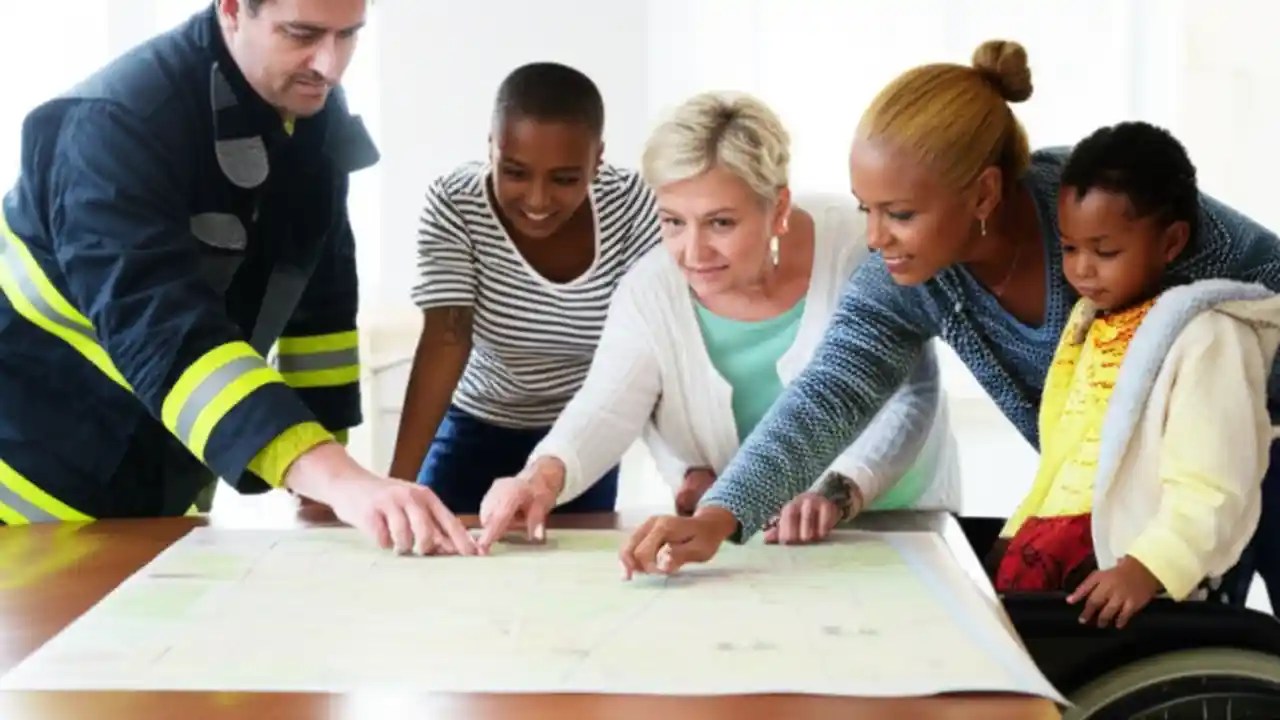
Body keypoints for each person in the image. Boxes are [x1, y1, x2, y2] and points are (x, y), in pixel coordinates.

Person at [619, 39, 1280, 604]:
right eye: (865, 209)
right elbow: (825, 397)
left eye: (899, 214)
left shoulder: (1101, 210)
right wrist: (719, 515)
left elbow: (1263, 278)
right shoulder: (905, 274)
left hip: (1235, 448)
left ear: (985, 193)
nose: (875, 237)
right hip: (1140, 501)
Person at [0, 0, 477, 557]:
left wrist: (324, 490)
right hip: (23, 495)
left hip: (154, 497)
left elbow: (319, 298)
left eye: (349, 36)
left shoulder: (307, 108)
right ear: (231, 8)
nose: (330, 65)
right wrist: (338, 479)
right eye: (302, 33)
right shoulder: (113, 125)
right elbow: (163, 332)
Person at [475, 91, 960, 549]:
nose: (692, 252)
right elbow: (605, 405)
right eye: (673, 222)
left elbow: (911, 397)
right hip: (758, 536)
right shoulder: (650, 289)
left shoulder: (862, 248)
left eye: (721, 223)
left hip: (897, 522)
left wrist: (840, 490)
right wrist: (539, 478)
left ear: (778, 209)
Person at [990, 121, 1279, 629]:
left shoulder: (1209, 338)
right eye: (1070, 248)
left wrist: (1147, 567)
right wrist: (1020, 530)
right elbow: (1065, 459)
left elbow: (1213, 485)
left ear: (1172, 242)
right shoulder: (1089, 326)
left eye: (1105, 252)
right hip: (1057, 541)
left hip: (1125, 565)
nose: (1081, 270)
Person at [390, 62, 661, 514]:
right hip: (474, 426)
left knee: (566, 573)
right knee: (433, 559)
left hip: (579, 439)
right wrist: (396, 486)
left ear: (598, 160)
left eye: (564, 179)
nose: (537, 200)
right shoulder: (456, 202)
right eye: (514, 172)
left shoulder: (633, 205)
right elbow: (447, 337)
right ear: (491, 149)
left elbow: (652, 343)